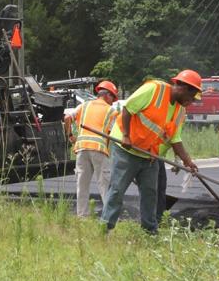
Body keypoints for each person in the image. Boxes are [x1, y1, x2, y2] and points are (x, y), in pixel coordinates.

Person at [101, 70, 202, 234]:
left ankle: (149, 231)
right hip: (126, 149)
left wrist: (187, 161)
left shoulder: (180, 111)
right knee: (117, 189)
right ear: (183, 88)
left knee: (150, 194)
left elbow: (175, 139)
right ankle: (105, 228)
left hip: (149, 155)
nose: (190, 102)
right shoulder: (154, 89)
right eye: (191, 97)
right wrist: (126, 135)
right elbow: (128, 108)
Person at [64, 81, 119, 217]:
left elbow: (67, 118)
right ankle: (108, 217)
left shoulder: (84, 105)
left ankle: (82, 216)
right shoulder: (111, 111)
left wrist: (70, 135)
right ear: (107, 95)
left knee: (82, 185)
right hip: (99, 150)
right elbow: (113, 134)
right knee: (104, 185)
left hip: (82, 149)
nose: (113, 102)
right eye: (113, 98)